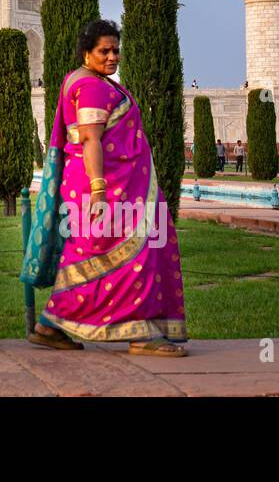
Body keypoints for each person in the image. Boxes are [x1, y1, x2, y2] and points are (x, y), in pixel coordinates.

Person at [22, 18, 188, 357]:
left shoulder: (84, 80)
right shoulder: (94, 87)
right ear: (87, 53)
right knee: (132, 257)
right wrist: (99, 189)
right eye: (104, 51)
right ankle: (141, 333)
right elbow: (90, 139)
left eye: (116, 50)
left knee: (88, 255)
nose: (112, 57)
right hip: (107, 189)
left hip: (108, 187)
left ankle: (49, 326)